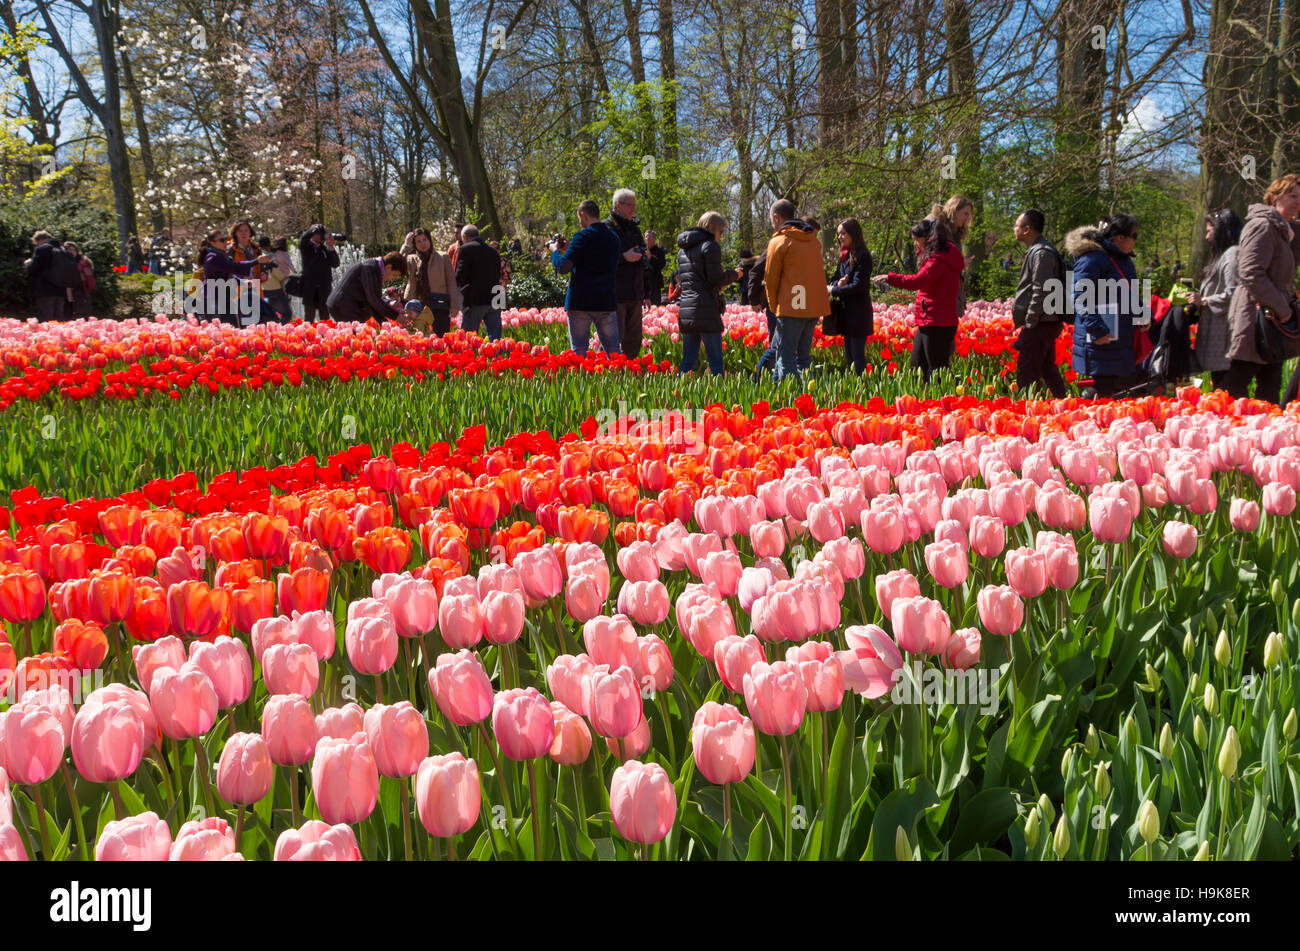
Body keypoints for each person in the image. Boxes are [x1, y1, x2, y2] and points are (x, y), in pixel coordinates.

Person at [1226, 174, 1300, 405]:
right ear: (1275, 196)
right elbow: (1250, 272)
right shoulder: (1262, 225)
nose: (1297, 201)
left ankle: (1262, 436)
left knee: (1269, 386)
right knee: (1238, 381)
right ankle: (1208, 430)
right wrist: (1283, 309)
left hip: (1273, 320)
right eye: (1292, 196)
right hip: (1258, 317)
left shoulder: (1283, 231)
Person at [874, 217, 965, 383]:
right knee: (916, 367)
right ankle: (922, 403)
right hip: (929, 319)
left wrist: (890, 278)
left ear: (929, 238)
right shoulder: (942, 254)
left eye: (917, 240)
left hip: (938, 322)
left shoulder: (938, 259)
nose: (915, 243)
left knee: (936, 371)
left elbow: (918, 281)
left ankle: (941, 404)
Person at [1064, 213, 1143, 398]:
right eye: (1134, 236)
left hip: (1120, 337)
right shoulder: (1092, 258)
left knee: (1119, 390)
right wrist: (1096, 329)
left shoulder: (1124, 260)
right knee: (1103, 391)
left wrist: (1141, 314)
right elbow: (1081, 297)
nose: (1135, 241)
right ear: (1119, 237)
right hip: (1101, 338)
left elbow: (1130, 293)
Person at [764, 198, 832, 383]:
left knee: (786, 357)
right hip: (812, 306)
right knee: (803, 357)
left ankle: (789, 401)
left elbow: (770, 279)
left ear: (776, 218)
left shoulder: (779, 241)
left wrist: (773, 305)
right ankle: (808, 395)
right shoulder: (813, 242)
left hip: (792, 305)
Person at [551, 199, 622, 356]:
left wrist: (554, 252)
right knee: (614, 352)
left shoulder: (582, 237)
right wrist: (570, 249)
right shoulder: (614, 239)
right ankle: (620, 379)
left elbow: (563, 267)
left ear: (583, 214)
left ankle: (581, 381)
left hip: (581, 302)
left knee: (579, 352)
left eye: (579, 217)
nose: (579, 221)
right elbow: (597, 261)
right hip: (605, 301)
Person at [676, 211, 743, 375]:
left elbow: (690, 280)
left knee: (688, 359)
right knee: (715, 361)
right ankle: (718, 398)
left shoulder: (683, 250)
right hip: (705, 309)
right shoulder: (710, 246)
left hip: (687, 309)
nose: (721, 236)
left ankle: (676, 395)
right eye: (721, 231)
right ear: (713, 228)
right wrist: (735, 274)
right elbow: (716, 278)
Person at [1011, 209, 1069, 398]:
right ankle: (1066, 404)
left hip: (1041, 322)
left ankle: (1026, 412)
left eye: (1017, 226)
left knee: (1027, 373)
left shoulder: (1041, 253)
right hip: (1044, 320)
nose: (1014, 229)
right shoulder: (1038, 250)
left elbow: (1041, 290)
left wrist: (1030, 320)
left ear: (1027, 229)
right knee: (1047, 368)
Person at [1187, 209, 1242, 391]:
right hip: (1217, 338)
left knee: (1225, 389)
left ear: (1221, 231)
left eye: (1209, 231)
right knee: (1219, 385)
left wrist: (1204, 300)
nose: (1206, 237)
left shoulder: (1232, 254)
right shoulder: (1222, 256)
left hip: (1225, 338)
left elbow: (1235, 293)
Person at [196, 229, 274, 325]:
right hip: (213, 299)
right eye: (221, 240)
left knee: (230, 329)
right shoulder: (213, 257)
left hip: (224, 298)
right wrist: (256, 261)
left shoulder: (221, 255)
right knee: (219, 331)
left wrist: (242, 283)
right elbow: (234, 267)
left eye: (225, 239)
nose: (225, 242)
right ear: (212, 243)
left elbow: (228, 275)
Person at [828, 219, 873, 375]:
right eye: (838, 234)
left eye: (843, 233)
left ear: (854, 234)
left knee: (857, 356)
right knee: (849, 356)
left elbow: (858, 286)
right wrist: (837, 284)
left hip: (858, 313)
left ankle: (862, 387)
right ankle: (855, 388)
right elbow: (833, 278)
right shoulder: (844, 256)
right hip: (846, 313)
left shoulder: (863, 256)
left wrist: (834, 290)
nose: (840, 237)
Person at [606, 188, 646, 358]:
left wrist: (647, 292)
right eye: (630, 205)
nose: (633, 209)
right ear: (618, 205)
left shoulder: (635, 228)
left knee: (634, 340)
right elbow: (602, 258)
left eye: (635, 205)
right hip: (616, 293)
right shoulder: (607, 228)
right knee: (613, 339)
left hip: (635, 293)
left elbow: (643, 258)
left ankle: (630, 374)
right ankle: (607, 373)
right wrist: (624, 257)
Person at [401, 227, 460, 336]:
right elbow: (398, 263)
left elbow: (451, 282)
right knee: (418, 338)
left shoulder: (443, 257)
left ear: (429, 240)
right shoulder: (412, 259)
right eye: (418, 241)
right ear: (414, 244)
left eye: (425, 240)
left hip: (439, 303)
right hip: (417, 305)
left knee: (441, 335)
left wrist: (454, 305)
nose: (422, 243)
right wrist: (406, 245)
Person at [327, 251, 408, 323]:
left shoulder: (375, 268)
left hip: (345, 307)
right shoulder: (370, 268)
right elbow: (373, 300)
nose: (392, 279)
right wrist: (395, 316)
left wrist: (384, 322)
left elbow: (372, 301)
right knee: (353, 337)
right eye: (394, 275)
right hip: (343, 307)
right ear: (389, 267)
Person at [454, 225, 503, 339]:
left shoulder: (466, 249)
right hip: (495, 298)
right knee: (495, 338)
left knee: (469, 338)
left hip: (475, 299)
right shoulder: (493, 251)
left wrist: (453, 292)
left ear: (465, 237)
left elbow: (460, 275)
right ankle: (498, 357)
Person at [931, 195, 975, 319]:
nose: (967, 218)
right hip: (940, 294)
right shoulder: (938, 229)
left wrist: (960, 265)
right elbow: (932, 263)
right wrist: (957, 265)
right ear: (954, 209)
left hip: (953, 292)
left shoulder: (955, 234)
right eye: (965, 214)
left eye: (968, 215)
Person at [24, 230, 68, 322]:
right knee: (59, 319)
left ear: (40, 239)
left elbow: (33, 268)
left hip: (44, 289)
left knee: (46, 319)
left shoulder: (42, 249)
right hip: (60, 290)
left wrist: (28, 263)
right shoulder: (62, 250)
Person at [299, 225, 340, 323]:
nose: (325, 236)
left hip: (324, 289)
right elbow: (303, 240)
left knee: (325, 317)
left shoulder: (324, 249)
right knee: (309, 317)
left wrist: (331, 248)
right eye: (323, 233)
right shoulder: (306, 246)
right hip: (310, 288)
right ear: (315, 234)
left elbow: (335, 264)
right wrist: (312, 230)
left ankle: (325, 337)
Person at [258, 235, 293, 322]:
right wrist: (284, 276)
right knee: (287, 314)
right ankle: (279, 330)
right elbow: (279, 276)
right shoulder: (270, 258)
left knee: (268, 315)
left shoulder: (256, 258)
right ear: (269, 246)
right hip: (275, 290)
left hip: (261, 291)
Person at [63, 241, 95, 319]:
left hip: (82, 289)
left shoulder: (83, 261)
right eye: (69, 250)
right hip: (68, 289)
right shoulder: (64, 262)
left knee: (82, 312)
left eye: (74, 250)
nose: (72, 252)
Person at [644, 230, 667, 305]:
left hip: (655, 285)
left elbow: (662, 264)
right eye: (646, 236)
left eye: (650, 237)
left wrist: (651, 257)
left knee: (655, 308)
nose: (647, 238)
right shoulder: (641, 250)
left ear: (654, 239)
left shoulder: (659, 251)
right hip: (642, 285)